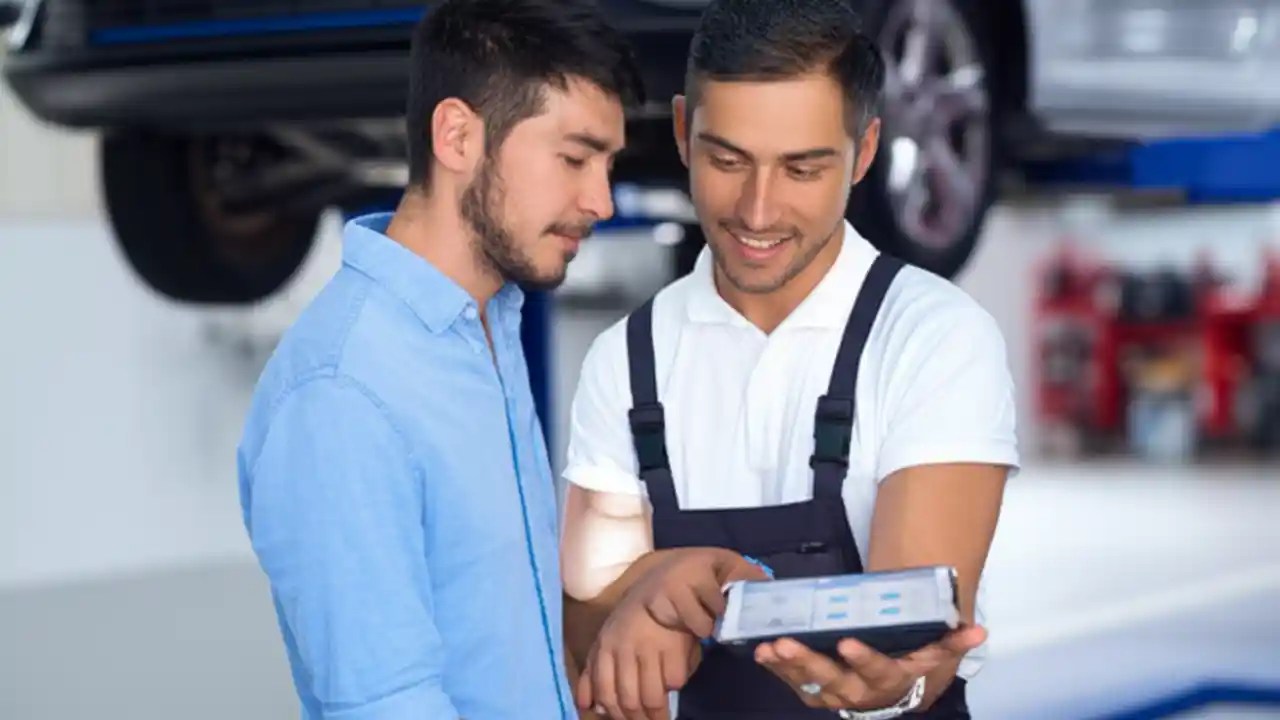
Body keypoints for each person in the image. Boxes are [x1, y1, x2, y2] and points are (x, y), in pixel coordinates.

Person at [559, 1, 1018, 718]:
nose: (759, 211)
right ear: (683, 131)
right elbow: (583, 634)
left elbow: (918, 628)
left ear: (865, 153)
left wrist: (892, 688)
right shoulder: (625, 361)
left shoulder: (931, 335)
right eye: (727, 160)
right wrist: (645, 597)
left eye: (802, 168)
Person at [235, 1, 644, 718]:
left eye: (607, 165)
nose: (601, 199)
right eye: (575, 158)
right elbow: (386, 704)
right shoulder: (344, 391)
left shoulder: (487, 326)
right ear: (457, 136)